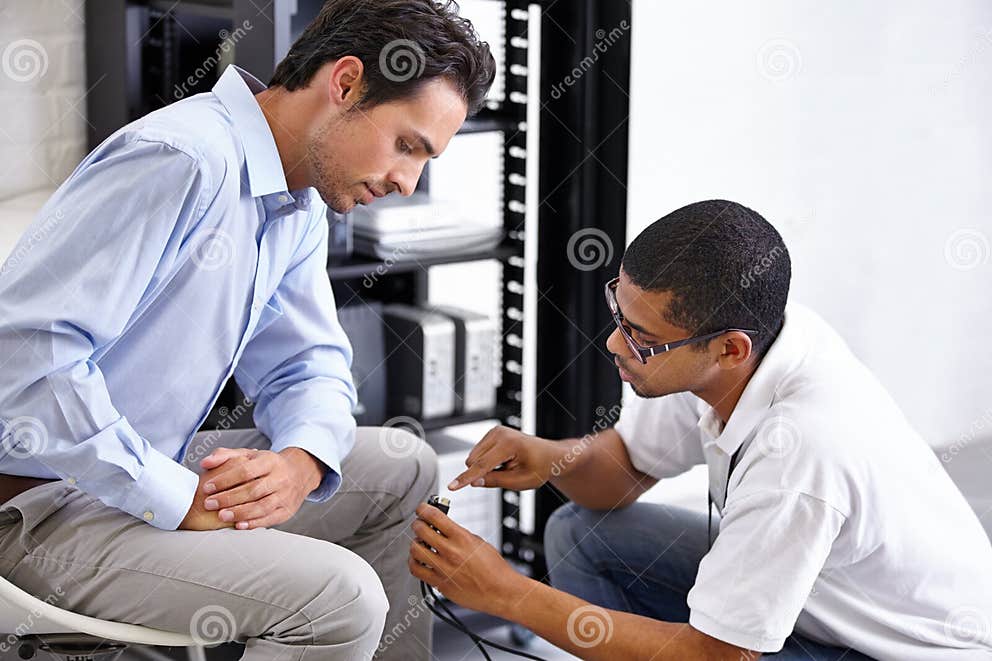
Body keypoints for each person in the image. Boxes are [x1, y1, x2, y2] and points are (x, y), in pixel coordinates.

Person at [0, 1, 494, 659]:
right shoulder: (182, 158)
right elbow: (29, 357)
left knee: (405, 466)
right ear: (344, 84)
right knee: (341, 599)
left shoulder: (296, 202)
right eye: (408, 146)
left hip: (135, 475)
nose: (408, 182)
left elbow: (308, 363)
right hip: (38, 512)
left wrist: (300, 460)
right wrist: (174, 497)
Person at [410, 200, 992, 660]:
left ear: (729, 348)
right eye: (619, 313)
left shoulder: (800, 452)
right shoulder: (748, 350)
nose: (616, 343)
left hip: (896, 652)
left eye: (639, 335)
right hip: (818, 609)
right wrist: (552, 458)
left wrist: (505, 593)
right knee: (583, 534)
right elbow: (623, 473)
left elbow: (718, 656)